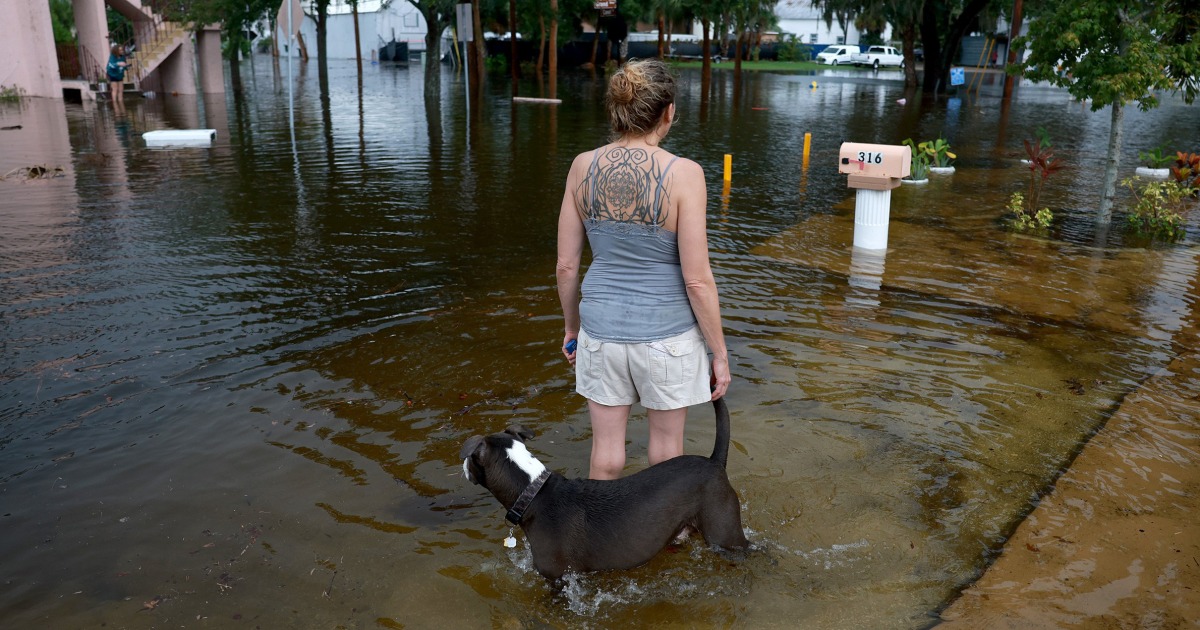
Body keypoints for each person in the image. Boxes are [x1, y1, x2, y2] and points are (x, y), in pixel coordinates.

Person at [556, 58, 731, 481]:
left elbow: (565, 265)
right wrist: (719, 353)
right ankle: (669, 542)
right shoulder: (686, 174)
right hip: (667, 336)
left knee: (607, 455)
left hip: (600, 332)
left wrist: (572, 328)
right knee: (667, 454)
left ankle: (601, 539)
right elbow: (697, 279)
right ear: (668, 111)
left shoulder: (582, 166)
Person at [106, 44, 129, 111]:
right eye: (120, 50)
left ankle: (121, 103)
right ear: (116, 51)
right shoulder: (112, 57)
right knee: (115, 89)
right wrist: (118, 64)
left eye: (122, 50)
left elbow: (124, 64)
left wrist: (126, 66)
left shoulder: (122, 57)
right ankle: (115, 105)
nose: (122, 51)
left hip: (119, 74)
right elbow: (110, 65)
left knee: (121, 89)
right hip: (113, 74)